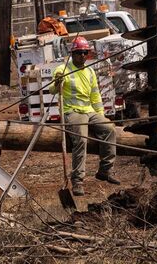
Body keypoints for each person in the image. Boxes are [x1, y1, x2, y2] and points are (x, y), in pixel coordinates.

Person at [52, 36, 119, 196]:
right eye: (79, 52)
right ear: (73, 53)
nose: (83, 55)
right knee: (81, 140)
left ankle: (105, 170)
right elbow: (53, 91)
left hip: (90, 111)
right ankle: (77, 181)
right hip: (72, 111)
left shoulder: (90, 72)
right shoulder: (62, 70)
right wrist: (58, 82)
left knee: (109, 129)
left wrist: (100, 116)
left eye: (85, 53)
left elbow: (95, 96)